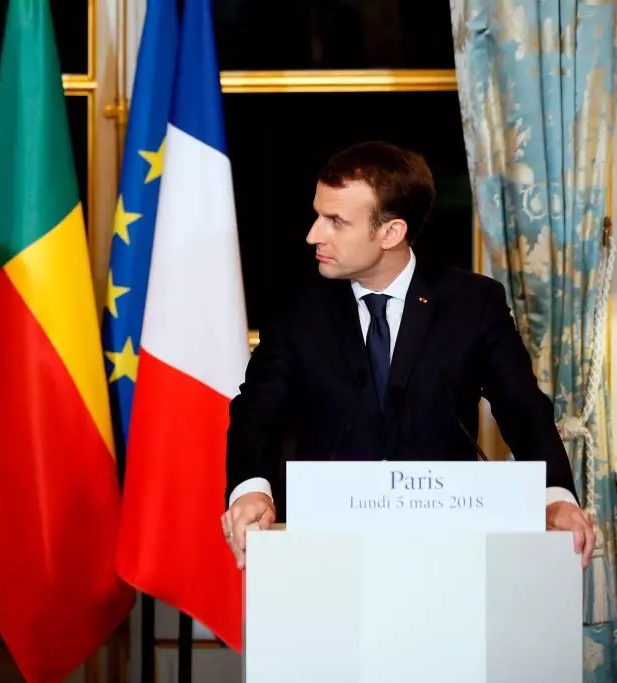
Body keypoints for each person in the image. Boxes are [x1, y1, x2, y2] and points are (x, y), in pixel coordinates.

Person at [221, 141, 594, 569]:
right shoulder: (298, 308)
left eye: (335, 221)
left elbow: (523, 409)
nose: (313, 234)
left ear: (391, 232)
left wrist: (555, 498)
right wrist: (252, 489)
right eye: (318, 214)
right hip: (325, 552)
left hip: (448, 551)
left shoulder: (472, 303)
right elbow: (256, 411)